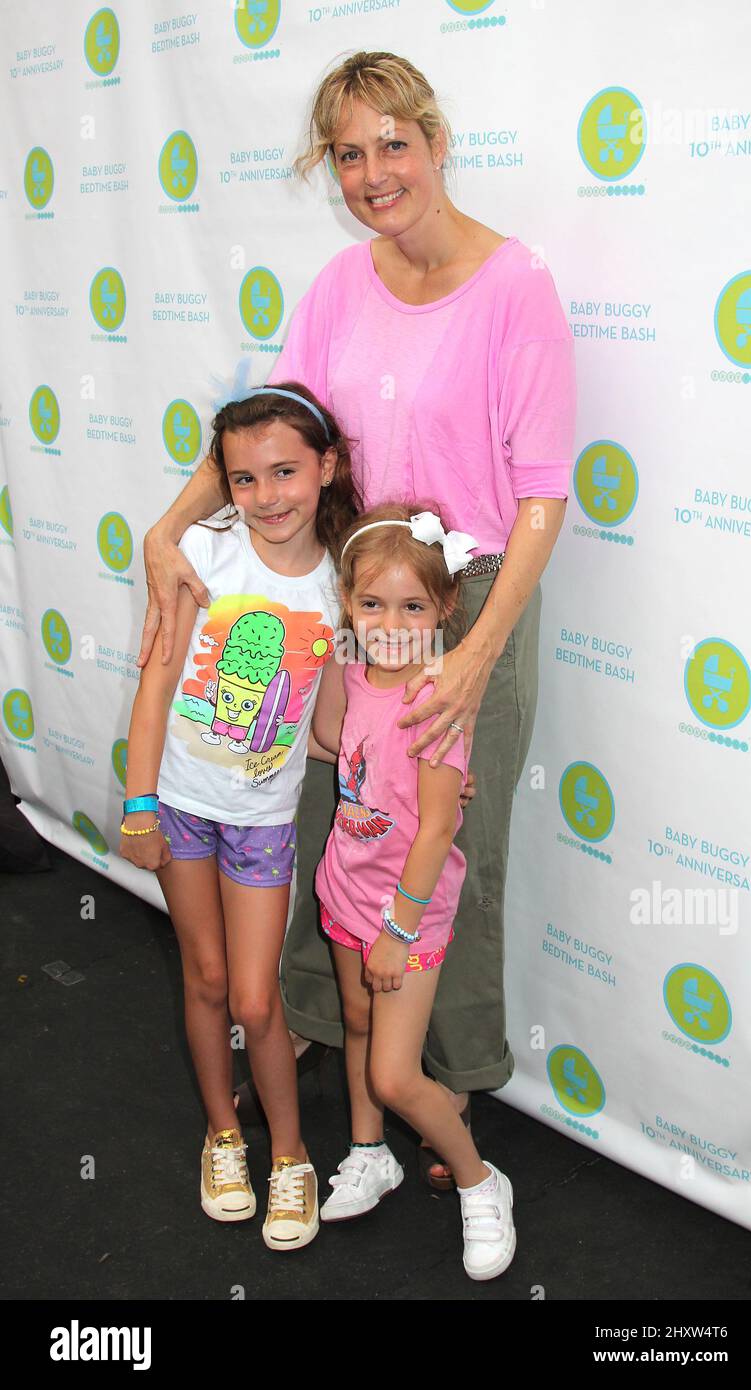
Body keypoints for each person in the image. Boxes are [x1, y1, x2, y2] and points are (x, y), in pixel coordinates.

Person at [139, 50, 576, 1186]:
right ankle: (327, 1047)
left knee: (448, 844)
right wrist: (168, 528)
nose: (373, 173)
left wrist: (477, 653)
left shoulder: (514, 283)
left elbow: (542, 494)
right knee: (330, 817)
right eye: (348, 152)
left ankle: (452, 1088)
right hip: (351, 588)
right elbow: (271, 428)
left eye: (393, 142)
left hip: (464, 601)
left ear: (434, 140)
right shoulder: (339, 285)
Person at [120, 381, 357, 1249]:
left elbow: (328, 723)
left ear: (326, 467)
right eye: (246, 478)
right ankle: (224, 1135)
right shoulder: (202, 553)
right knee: (207, 981)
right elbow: (156, 682)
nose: (268, 497)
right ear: (223, 481)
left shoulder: (343, 581)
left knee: (258, 1001)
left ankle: (289, 1155)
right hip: (181, 808)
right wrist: (141, 804)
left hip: (261, 823)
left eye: (287, 472)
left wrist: (408, 773)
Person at [311, 501, 516, 1281]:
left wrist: (397, 928)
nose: (389, 623)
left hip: (408, 914)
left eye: (410, 606)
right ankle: (372, 1155)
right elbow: (333, 738)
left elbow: (434, 833)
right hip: (346, 892)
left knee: (396, 1074)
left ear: (444, 609)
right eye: (370, 604)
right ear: (348, 605)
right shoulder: (357, 669)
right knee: (358, 1026)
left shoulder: (437, 697)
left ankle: (479, 1179)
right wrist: (337, 656)